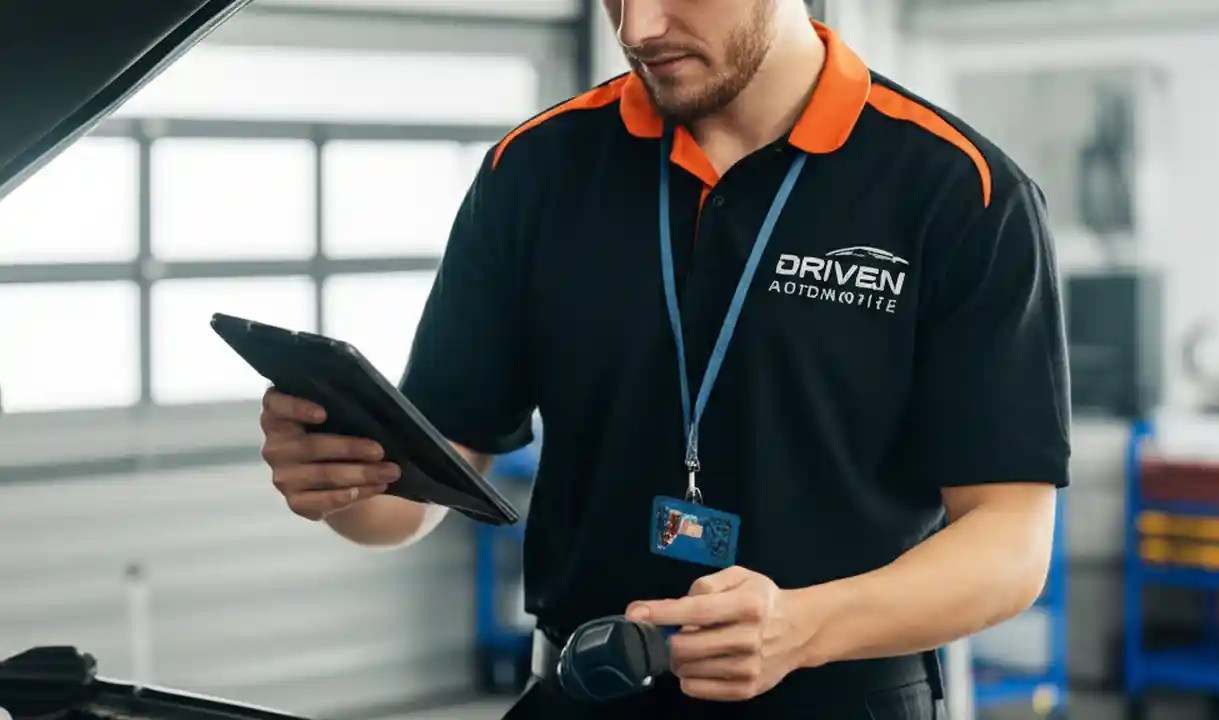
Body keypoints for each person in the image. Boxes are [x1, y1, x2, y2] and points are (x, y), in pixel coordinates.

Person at [257, 0, 1071, 717]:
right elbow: (413, 493)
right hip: (585, 690)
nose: (638, 26)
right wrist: (344, 481)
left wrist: (803, 626)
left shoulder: (960, 192)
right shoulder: (536, 170)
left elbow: (1009, 547)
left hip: (836, 696)